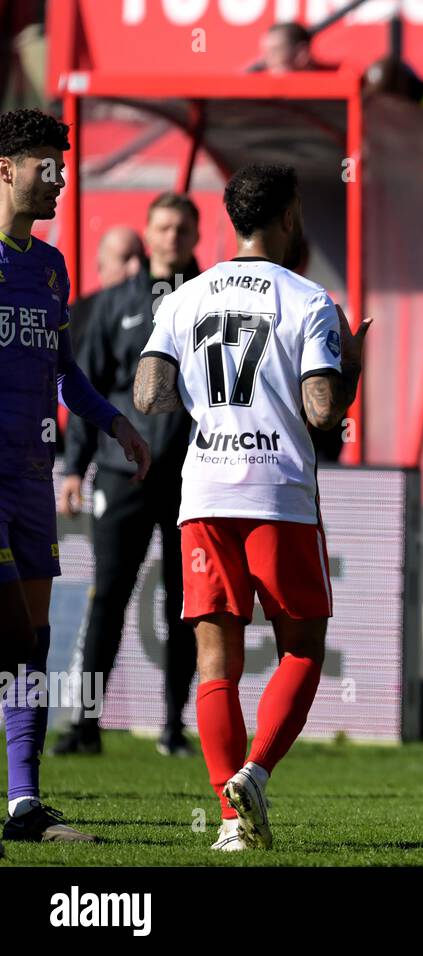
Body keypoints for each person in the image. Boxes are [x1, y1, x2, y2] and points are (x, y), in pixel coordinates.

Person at [133, 164, 369, 851]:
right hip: (278, 493)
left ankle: (231, 824)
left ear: (231, 217)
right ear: (290, 214)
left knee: (217, 663)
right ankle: (257, 772)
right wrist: (349, 361)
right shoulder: (309, 299)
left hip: (204, 490)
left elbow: (148, 394)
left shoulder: (184, 297)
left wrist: (213, 406)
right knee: (302, 647)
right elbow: (324, 412)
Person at [0, 108, 151, 848]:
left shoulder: (52, 266)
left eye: (61, 166)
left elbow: (64, 374)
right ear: (5, 169)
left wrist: (116, 423)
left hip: (31, 477)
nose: (58, 178)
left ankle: (25, 805)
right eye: (43, 166)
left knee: (31, 637)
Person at [54, 192, 202, 758]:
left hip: (191, 475)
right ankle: (85, 726)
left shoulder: (207, 299)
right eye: (163, 227)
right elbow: (83, 390)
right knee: (108, 596)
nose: (172, 237)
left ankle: (173, 729)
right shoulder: (115, 304)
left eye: (182, 228)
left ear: (194, 234)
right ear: (149, 232)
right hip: (121, 474)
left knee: (186, 605)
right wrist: (74, 467)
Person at [258, 22, 325, 74]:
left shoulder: (332, 80)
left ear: (301, 52)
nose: (266, 60)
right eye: (266, 52)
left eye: (275, 51)